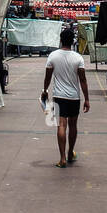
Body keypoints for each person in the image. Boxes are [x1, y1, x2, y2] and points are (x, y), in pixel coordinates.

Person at [42, 27, 90, 168]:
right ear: (73, 41)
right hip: (74, 97)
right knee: (73, 125)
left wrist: (45, 91)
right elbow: (83, 80)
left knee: (61, 125)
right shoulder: (78, 58)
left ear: (61, 40)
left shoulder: (53, 56)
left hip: (59, 96)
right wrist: (86, 99)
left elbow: (47, 77)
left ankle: (62, 158)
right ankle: (70, 153)